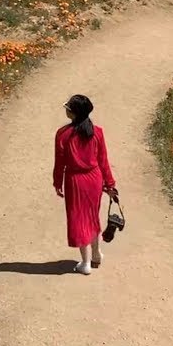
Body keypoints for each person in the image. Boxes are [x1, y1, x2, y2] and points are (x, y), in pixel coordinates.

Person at [52, 94, 118, 275]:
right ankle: (96, 254)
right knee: (92, 217)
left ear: (73, 113)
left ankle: (85, 262)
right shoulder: (97, 132)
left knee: (78, 219)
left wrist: (57, 182)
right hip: (94, 179)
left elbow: (60, 163)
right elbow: (103, 161)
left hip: (75, 180)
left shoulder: (63, 134)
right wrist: (110, 184)